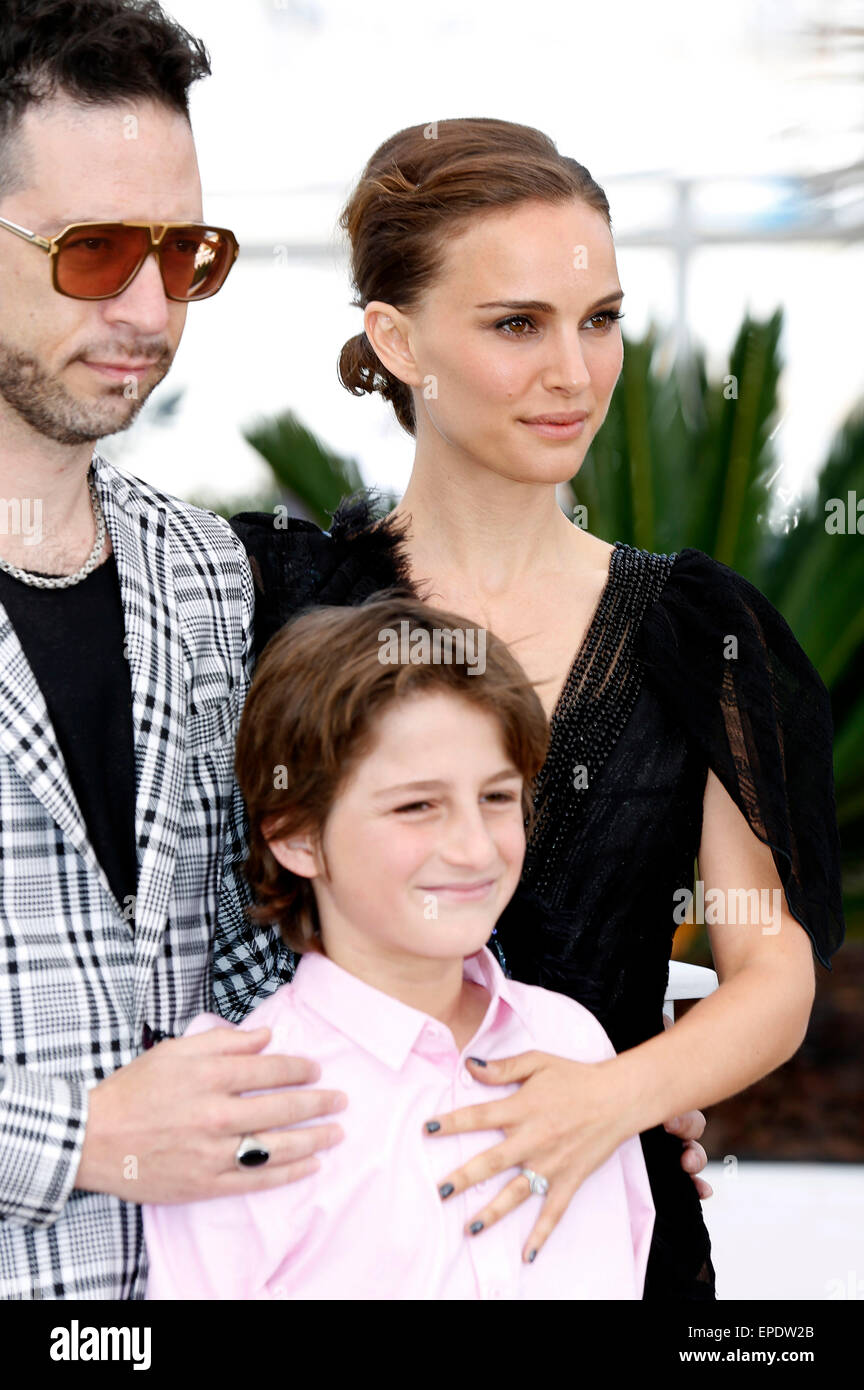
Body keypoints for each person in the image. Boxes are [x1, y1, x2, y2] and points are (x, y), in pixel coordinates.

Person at [227, 117, 846, 1300]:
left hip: (610, 1226)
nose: (576, 372)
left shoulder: (694, 632)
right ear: (398, 339)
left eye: (600, 319)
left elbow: (771, 975)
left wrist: (615, 1097)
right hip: (328, 1220)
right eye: (518, 323)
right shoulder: (272, 600)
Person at [0, 0, 342, 1300]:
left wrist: (543, 1094)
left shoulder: (200, 568)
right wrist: (80, 1137)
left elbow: (247, 957)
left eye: (183, 252)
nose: (149, 305)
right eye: (93, 250)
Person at [143, 596, 657, 1300]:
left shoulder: (576, 1046)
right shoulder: (245, 1104)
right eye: (418, 805)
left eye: (498, 798)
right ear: (295, 834)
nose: (475, 848)